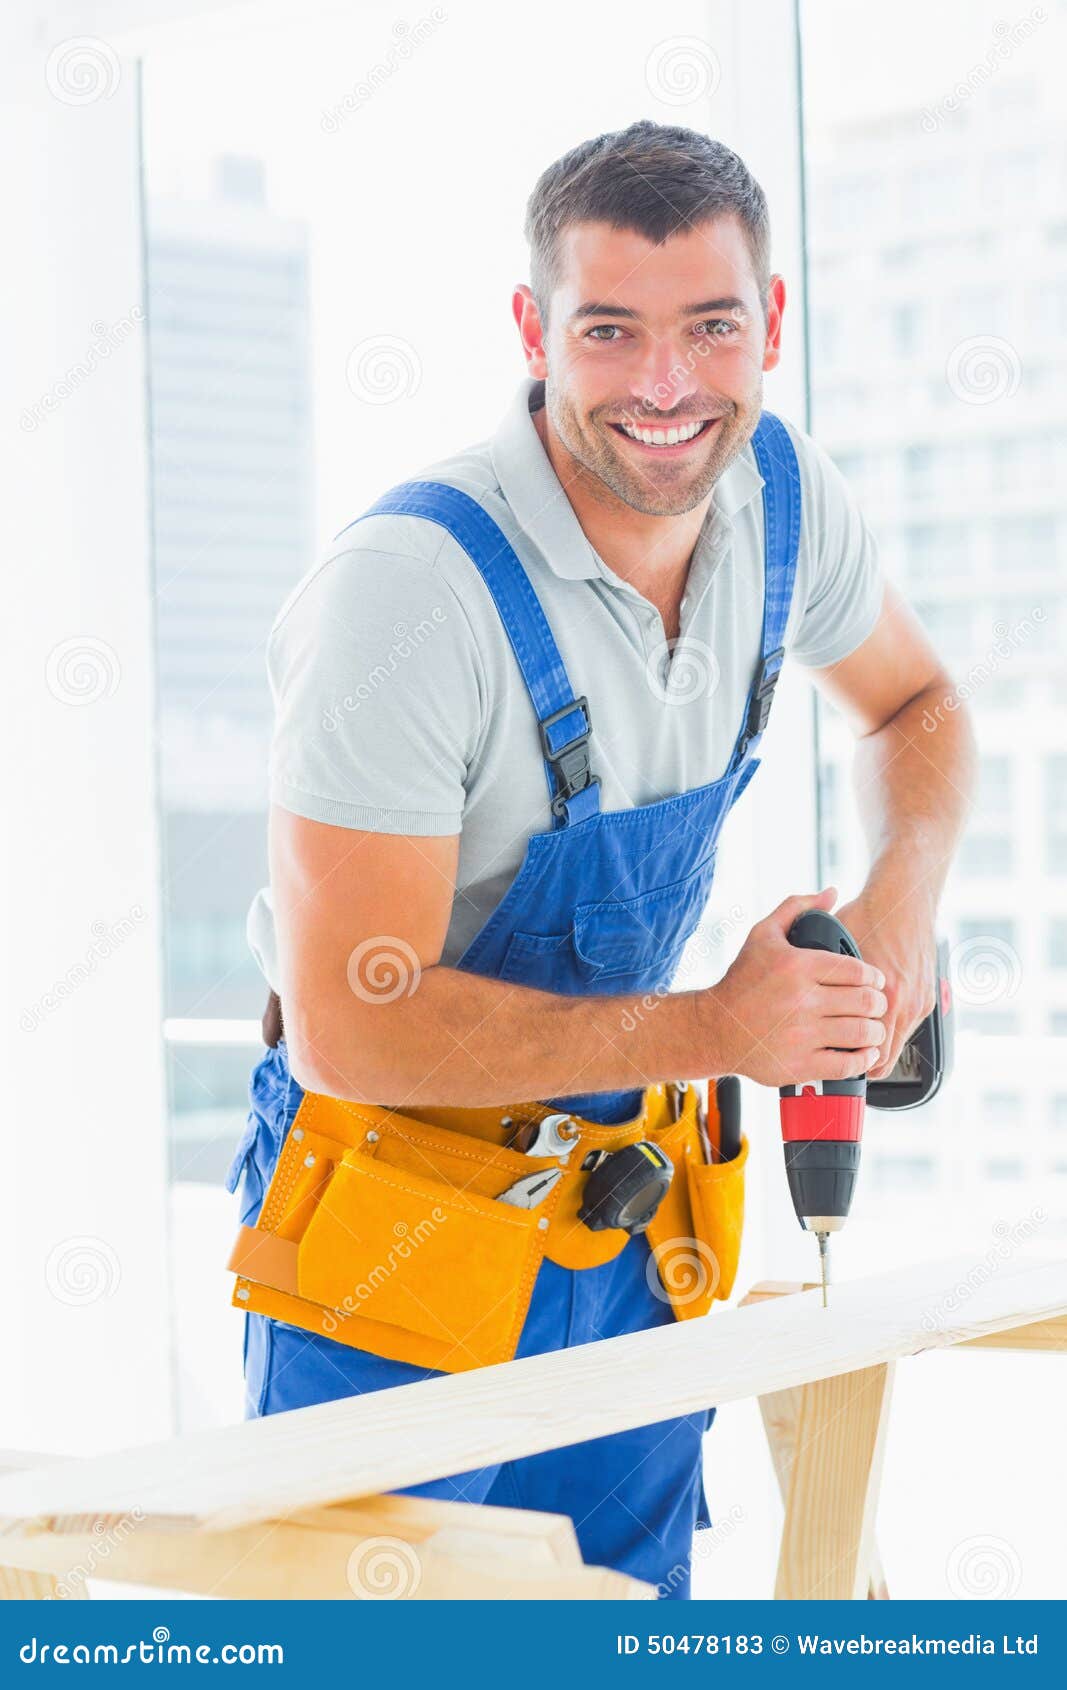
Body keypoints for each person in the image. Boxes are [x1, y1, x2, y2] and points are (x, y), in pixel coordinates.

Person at [225, 119, 975, 1598]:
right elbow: (350, 1019)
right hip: (391, 1242)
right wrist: (717, 1027)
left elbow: (917, 704)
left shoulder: (781, 497)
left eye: (708, 327)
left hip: (622, 1236)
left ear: (769, 324)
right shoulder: (409, 597)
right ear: (534, 331)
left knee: (629, 1637)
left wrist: (898, 906)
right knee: (392, 1643)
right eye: (609, 331)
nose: (665, 387)